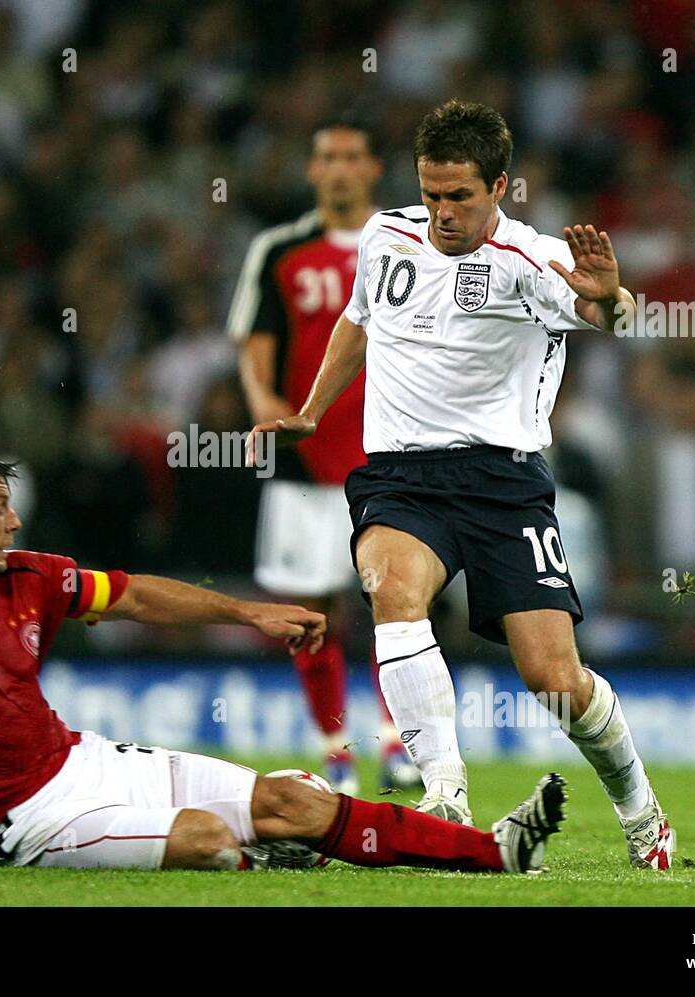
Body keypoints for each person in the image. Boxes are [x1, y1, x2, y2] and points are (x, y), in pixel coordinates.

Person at [249, 100, 674, 869]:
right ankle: (443, 791)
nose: (443, 212)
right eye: (432, 192)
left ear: (501, 186)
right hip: (400, 475)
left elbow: (611, 314)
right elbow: (358, 319)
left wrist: (611, 294)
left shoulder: (533, 257)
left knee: (553, 678)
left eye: (461, 197)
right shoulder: (386, 235)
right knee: (391, 588)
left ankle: (643, 810)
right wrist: (312, 409)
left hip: (501, 480)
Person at [0, 447, 566, 874]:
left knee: (296, 802)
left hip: (88, 761)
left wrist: (249, 612)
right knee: (210, 839)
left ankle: (494, 851)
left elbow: (137, 596)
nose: (14, 519)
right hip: (20, 821)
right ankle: (289, 856)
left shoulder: (31, 575)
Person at [228, 118, 419, 795]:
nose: (339, 168)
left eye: (352, 155)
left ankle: (399, 742)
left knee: (395, 600)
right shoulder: (280, 250)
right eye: (327, 157)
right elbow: (255, 343)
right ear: (312, 171)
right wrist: (261, 402)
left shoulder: (406, 238)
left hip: (389, 451)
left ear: (373, 168)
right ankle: (335, 745)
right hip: (304, 459)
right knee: (311, 612)